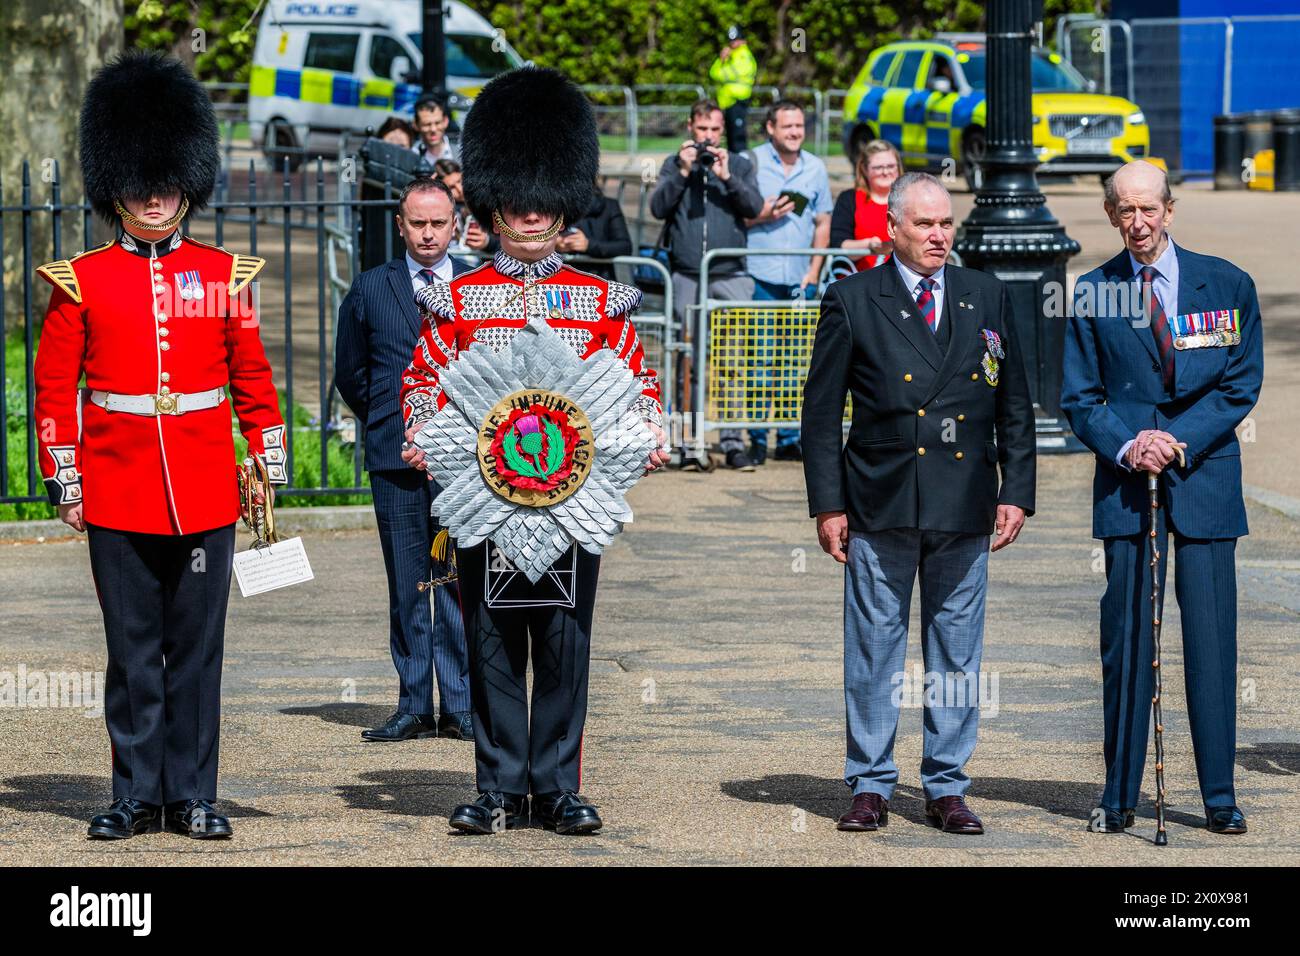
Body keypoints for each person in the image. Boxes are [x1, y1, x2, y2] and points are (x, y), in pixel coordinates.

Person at [399, 67, 670, 836]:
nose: (528, 210)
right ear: (493, 201)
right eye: (515, 197)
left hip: (570, 504)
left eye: (543, 197)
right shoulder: (452, 300)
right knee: (487, 644)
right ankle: (496, 787)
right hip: (484, 508)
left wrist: (647, 430)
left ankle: (555, 786)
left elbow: (635, 382)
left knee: (563, 645)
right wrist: (423, 434)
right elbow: (423, 381)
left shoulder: (601, 301)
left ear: (563, 202)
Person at [34, 51, 288, 841]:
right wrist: (67, 475)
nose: (155, 196)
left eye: (168, 181)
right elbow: (53, 391)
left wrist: (268, 462)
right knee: (133, 655)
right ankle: (135, 796)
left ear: (188, 182)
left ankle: (194, 796)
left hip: (207, 488)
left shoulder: (221, 275)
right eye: (142, 183)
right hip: (117, 489)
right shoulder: (82, 279)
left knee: (198, 656)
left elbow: (251, 375)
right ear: (117, 187)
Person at [801, 172, 1036, 835]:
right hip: (882, 497)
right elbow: (821, 416)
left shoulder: (984, 294)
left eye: (946, 224)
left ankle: (947, 785)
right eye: (925, 224)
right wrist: (828, 505)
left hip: (964, 499)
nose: (939, 235)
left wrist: (1016, 491)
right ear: (892, 229)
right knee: (874, 647)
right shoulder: (852, 297)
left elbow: (1013, 403)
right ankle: (871, 783)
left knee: (956, 652)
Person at [1060, 160, 1262, 836]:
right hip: (1127, 488)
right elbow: (1081, 399)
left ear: (1170, 210)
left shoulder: (1227, 284)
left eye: (1149, 210)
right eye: (1125, 212)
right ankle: (1118, 794)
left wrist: (1174, 441)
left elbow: (1238, 384)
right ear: (1112, 215)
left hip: (1204, 479)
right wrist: (1129, 446)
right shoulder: (1094, 293)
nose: (1138, 224)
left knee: (1210, 641)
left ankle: (1218, 795)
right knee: (1125, 641)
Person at [334, 177, 474, 743]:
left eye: (438, 223)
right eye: (418, 223)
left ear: (455, 225)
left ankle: (463, 703)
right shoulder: (370, 288)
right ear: (400, 225)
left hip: (470, 463)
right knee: (409, 583)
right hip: (395, 456)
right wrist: (391, 420)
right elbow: (351, 372)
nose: (428, 233)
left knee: (460, 581)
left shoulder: (477, 285)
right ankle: (415, 702)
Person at [650, 100, 763, 470]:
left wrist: (728, 176)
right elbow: (657, 208)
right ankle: (688, 441)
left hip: (730, 273)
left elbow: (753, 206)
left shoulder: (742, 164)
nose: (708, 137)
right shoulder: (673, 163)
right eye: (702, 130)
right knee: (687, 361)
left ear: (723, 132)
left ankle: (732, 442)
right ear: (690, 129)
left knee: (732, 362)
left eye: (715, 130)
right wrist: (683, 171)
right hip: (686, 274)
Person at [744, 100, 834, 463]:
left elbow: (822, 223)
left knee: (795, 360)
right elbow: (737, 216)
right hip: (759, 273)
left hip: (801, 279)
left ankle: (788, 438)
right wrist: (762, 215)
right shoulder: (750, 162)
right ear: (771, 128)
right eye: (787, 126)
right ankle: (754, 437)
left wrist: (813, 272)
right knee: (759, 359)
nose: (795, 132)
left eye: (799, 126)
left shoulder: (816, 168)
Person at [830, 139, 899, 271]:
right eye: (878, 167)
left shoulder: (911, 200)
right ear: (864, 169)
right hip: (855, 281)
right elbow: (838, 245)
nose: (885, 172)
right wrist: (869, 245)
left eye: (891, 166)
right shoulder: (849, 199)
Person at [557, 178, 633, 280]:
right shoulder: (556, 207)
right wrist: (554, 245)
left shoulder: (610, 206)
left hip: (600, 278)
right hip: (562, 280)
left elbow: (625, 246)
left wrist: (588, 245)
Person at [709, 25, 757, 154]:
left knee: (738, 138)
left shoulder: (743, 55)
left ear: (743, 40)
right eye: (731, 41)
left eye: (736, 40)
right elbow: (714, 73)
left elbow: (726, 74)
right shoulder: (729, 55)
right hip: (727, 102)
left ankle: (741, 166)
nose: (733, 44)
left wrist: (724, 66)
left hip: (738, 100)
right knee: (730, 138)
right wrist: (722, 60)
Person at [412, 96, 457, 163]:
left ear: (446, 121)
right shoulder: (410, 156)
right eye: (427, 124)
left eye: (437, 123)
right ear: (416, 125)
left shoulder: (460, 154)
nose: (433, 129)